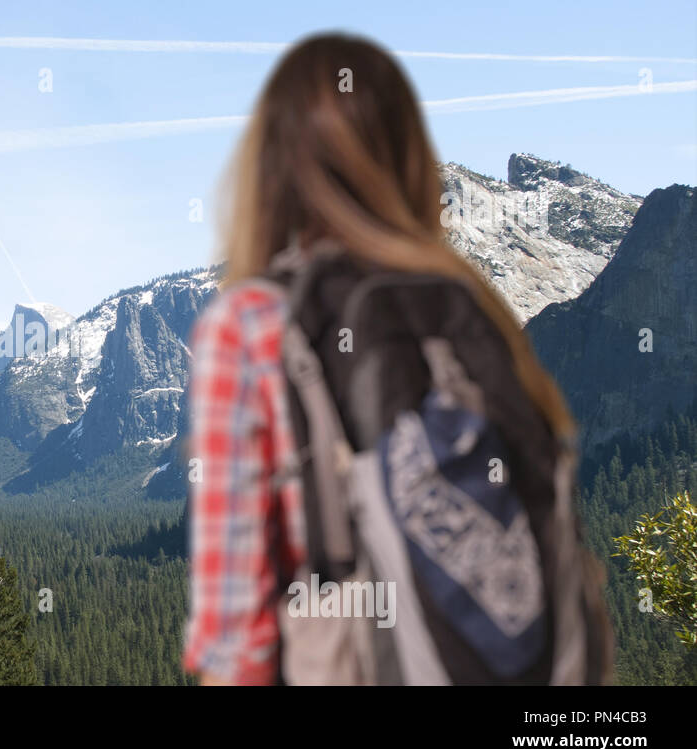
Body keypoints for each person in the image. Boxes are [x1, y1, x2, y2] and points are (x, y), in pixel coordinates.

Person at [183, 33, 608, 686]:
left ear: (272, 167)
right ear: (408, 156)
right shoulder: (472, 305)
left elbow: (236, 644)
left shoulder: (249, 324)